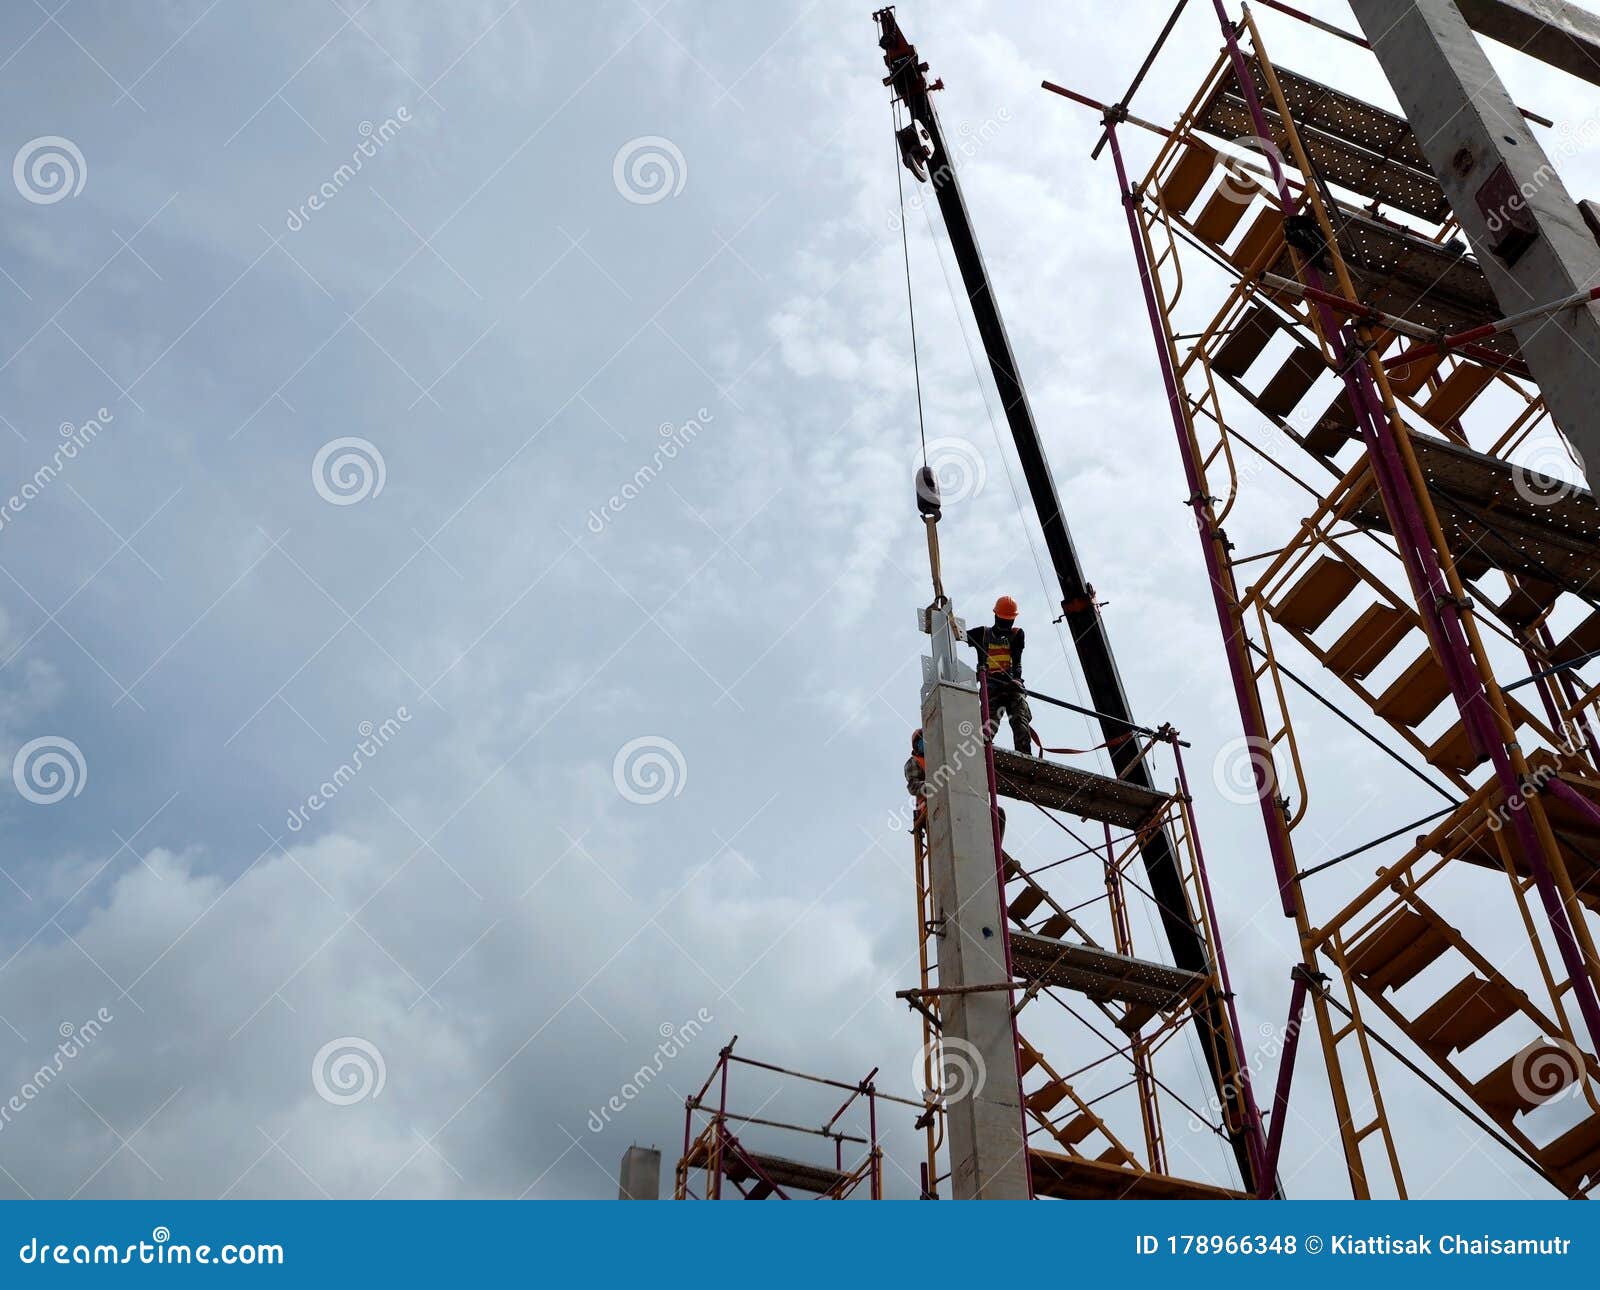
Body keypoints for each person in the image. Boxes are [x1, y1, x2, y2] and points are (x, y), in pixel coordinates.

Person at [966, 594, 1032, 755]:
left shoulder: (1016, 634)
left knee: (1020, 719)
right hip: (991, 686)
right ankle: (982, 753)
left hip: (1011, 685)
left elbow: (1017, 660)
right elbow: (957, 633)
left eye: (1008, 621)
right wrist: (947, 618)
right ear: (996, 616)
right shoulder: (982, 634)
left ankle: (1025, 754)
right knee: (988, 724)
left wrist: (1017, 679)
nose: (1006, 624)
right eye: (1004, 620)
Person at [905, 728, 927, 829]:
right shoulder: (914, 762)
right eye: (920, 740)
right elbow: (913, 786)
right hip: (927, 807)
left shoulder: (938, 758)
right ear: (916, 746)